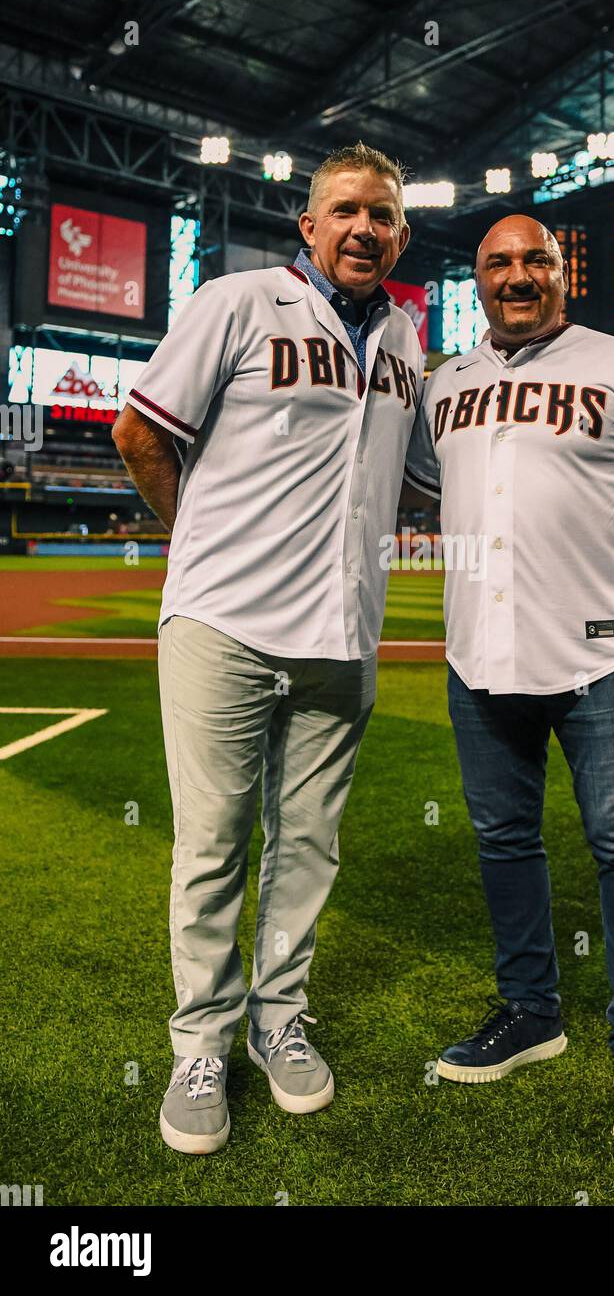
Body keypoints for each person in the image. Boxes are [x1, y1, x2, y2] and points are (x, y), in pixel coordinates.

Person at [112, 141, 422, 1154]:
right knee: (213, 843)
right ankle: (199, 1042)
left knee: (309, 845)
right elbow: (139, 433)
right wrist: (196, 540)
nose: (363, 228)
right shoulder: (238, 303)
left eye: (382, 214)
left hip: (343, 632)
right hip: (225, 624)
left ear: (401, 235)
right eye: (346, 210)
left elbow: (427, 476)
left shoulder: (406, 338)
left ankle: (276, 1018)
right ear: (309, 225)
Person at [404, 214, 614, 1158]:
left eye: (534, 259)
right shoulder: (444, 384)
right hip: (478, 655)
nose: (518, 275)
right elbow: (423, 487)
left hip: (600, 658)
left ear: (560, 269)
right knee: (504, 839)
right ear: (479, 280)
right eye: (499, 263)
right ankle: (531, 1010)